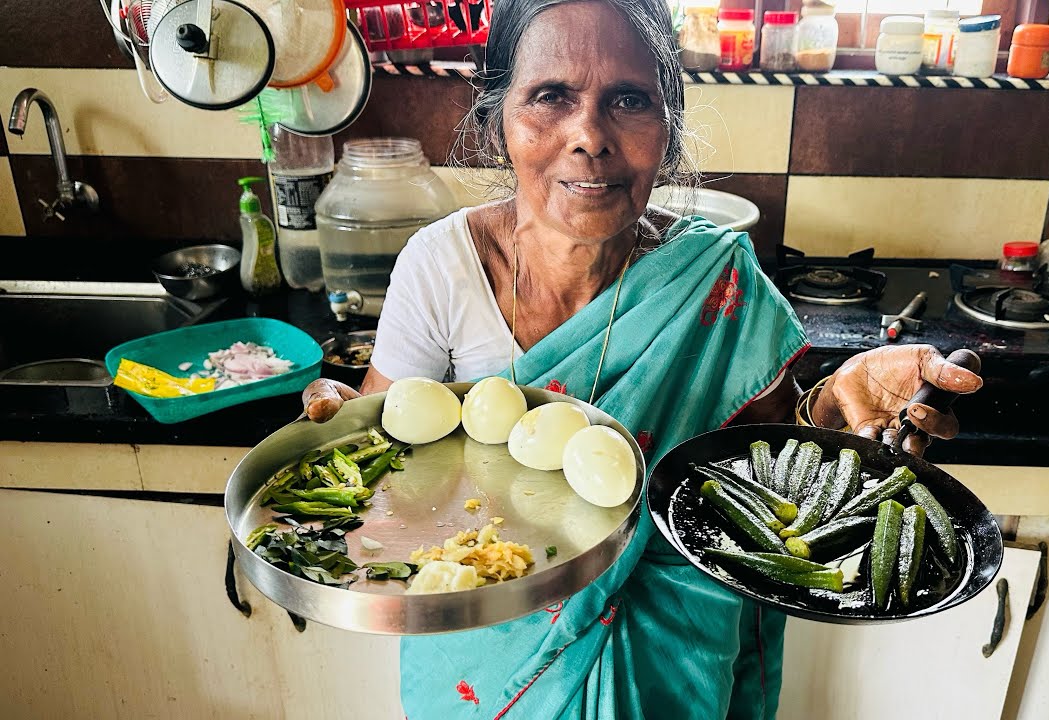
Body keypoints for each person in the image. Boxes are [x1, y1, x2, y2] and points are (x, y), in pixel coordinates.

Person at [301, 0, 981, 715]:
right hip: (490, 654)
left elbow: (769, 463)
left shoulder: (714, 280)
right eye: (550, 97)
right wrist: (348, 452)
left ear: (667, 127)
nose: (588, 137)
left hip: (673, 653)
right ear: (499, 118)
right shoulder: (442, 267)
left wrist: (836, 413)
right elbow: (392, 454)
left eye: (628, 100)